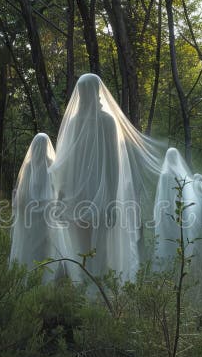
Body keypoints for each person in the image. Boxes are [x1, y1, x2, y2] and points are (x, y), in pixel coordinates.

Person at [49, 74, 163, 282]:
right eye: (81, 89)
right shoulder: (86, 122)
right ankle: (88, 293)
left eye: (85, 89)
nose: (82, 94)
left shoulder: (102, 122)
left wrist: (111, 201)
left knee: (93, 249)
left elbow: (111, 164)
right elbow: (69, 163)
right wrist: (62, 195)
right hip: (84, 196)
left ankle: (93, 295)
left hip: (90, 198)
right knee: (87, 249)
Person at [10, 133, 72, 281]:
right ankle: (44, 277)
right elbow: (59, 189)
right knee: (46, 245)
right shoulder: (50, 163)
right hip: (47, 214)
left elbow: (22, 194)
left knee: (32, 245)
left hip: (33, 215)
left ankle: (34, 277)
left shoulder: (28, 166)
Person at [152, 148, 195, 270]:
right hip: (180, 212)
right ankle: (178, 267)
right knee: (178, 238)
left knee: (168, 238)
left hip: (168, 212)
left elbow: (162, 197)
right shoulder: (181, 175)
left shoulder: (165, 175)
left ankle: (168, 267)